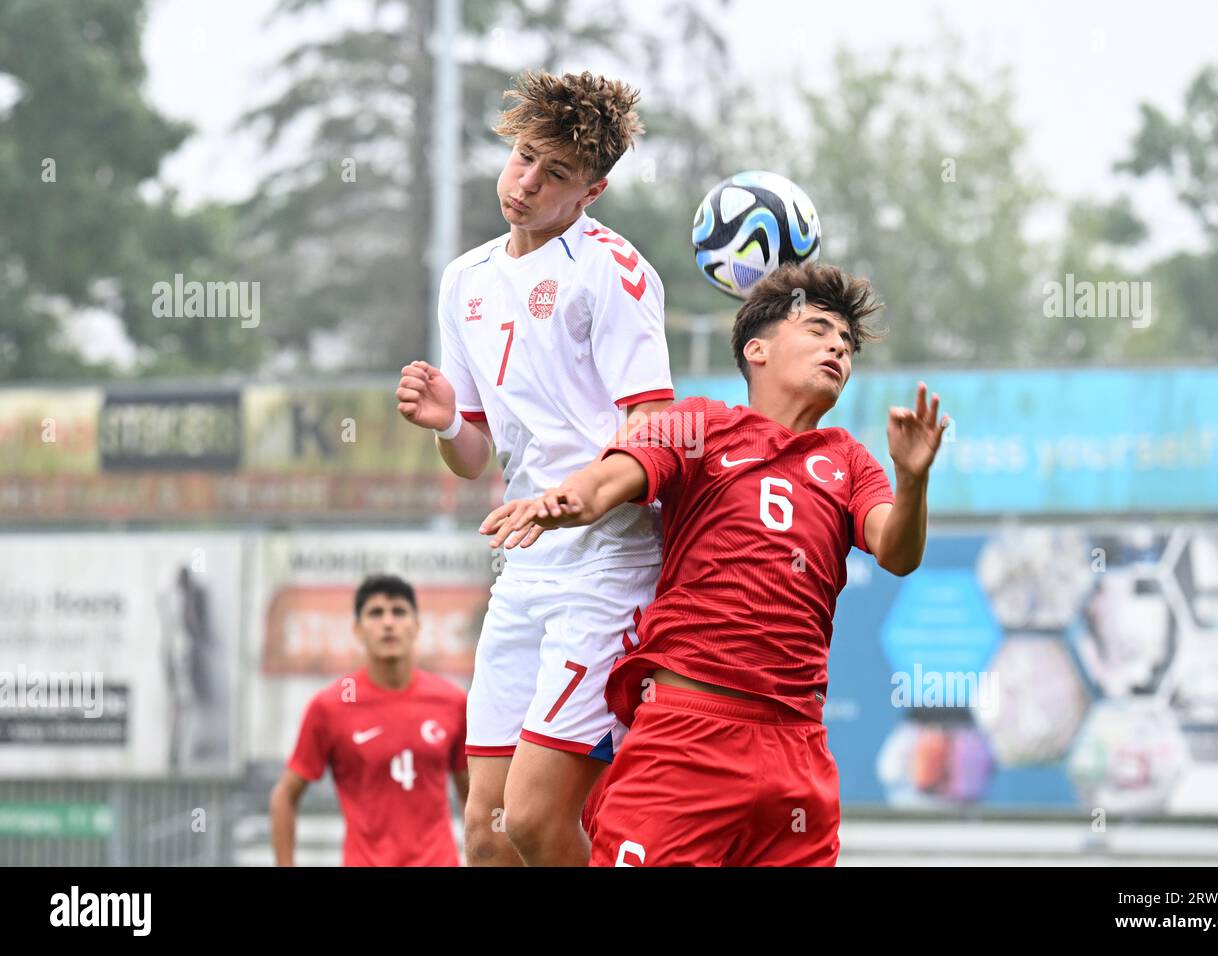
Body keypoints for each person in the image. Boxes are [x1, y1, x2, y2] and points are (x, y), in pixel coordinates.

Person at [485, 260, 948, 866]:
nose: (838, 345)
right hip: (686, 737)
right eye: (818, 329)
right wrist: (566, 500)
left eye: (847, 343)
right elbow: (607, 483)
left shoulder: (850, 460)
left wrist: (912, 481)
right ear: (756, 348)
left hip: (796, 754)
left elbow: (898, 553)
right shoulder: (700, 424)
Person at [395, 70, 674, 866]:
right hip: (523, 566)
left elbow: (652, 429)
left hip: (607, 566)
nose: (526, 183)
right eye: (522, 158)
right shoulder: (466, 281)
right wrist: (447, 418)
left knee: (536, 819)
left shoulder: (614, 272)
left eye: (554, 174)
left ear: (594, 188)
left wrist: (577, 499)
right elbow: (474, 457)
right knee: (484, 831)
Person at [269, 575, 470, 866]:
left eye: (399, 612)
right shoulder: (330, 706)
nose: (388, 623)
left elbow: (475, 797)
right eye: (375, 613)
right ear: (357, 629)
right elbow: (284, 797)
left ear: (416, 626)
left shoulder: (451, 701)